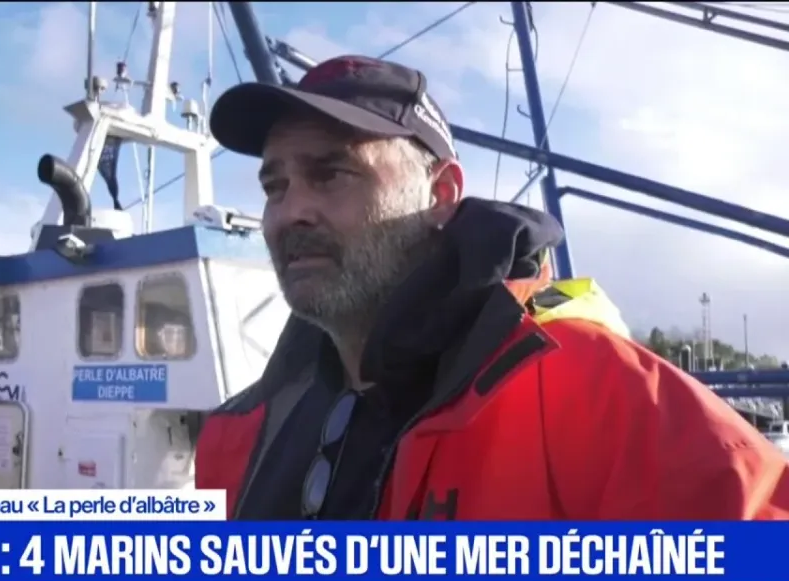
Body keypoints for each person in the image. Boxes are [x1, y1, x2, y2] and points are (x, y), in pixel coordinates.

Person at [195, 55, 789, 521]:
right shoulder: (241, 432)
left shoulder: (585, 391)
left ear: (442, 194)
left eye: (332, 174)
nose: (290, 211)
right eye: (275, 186)